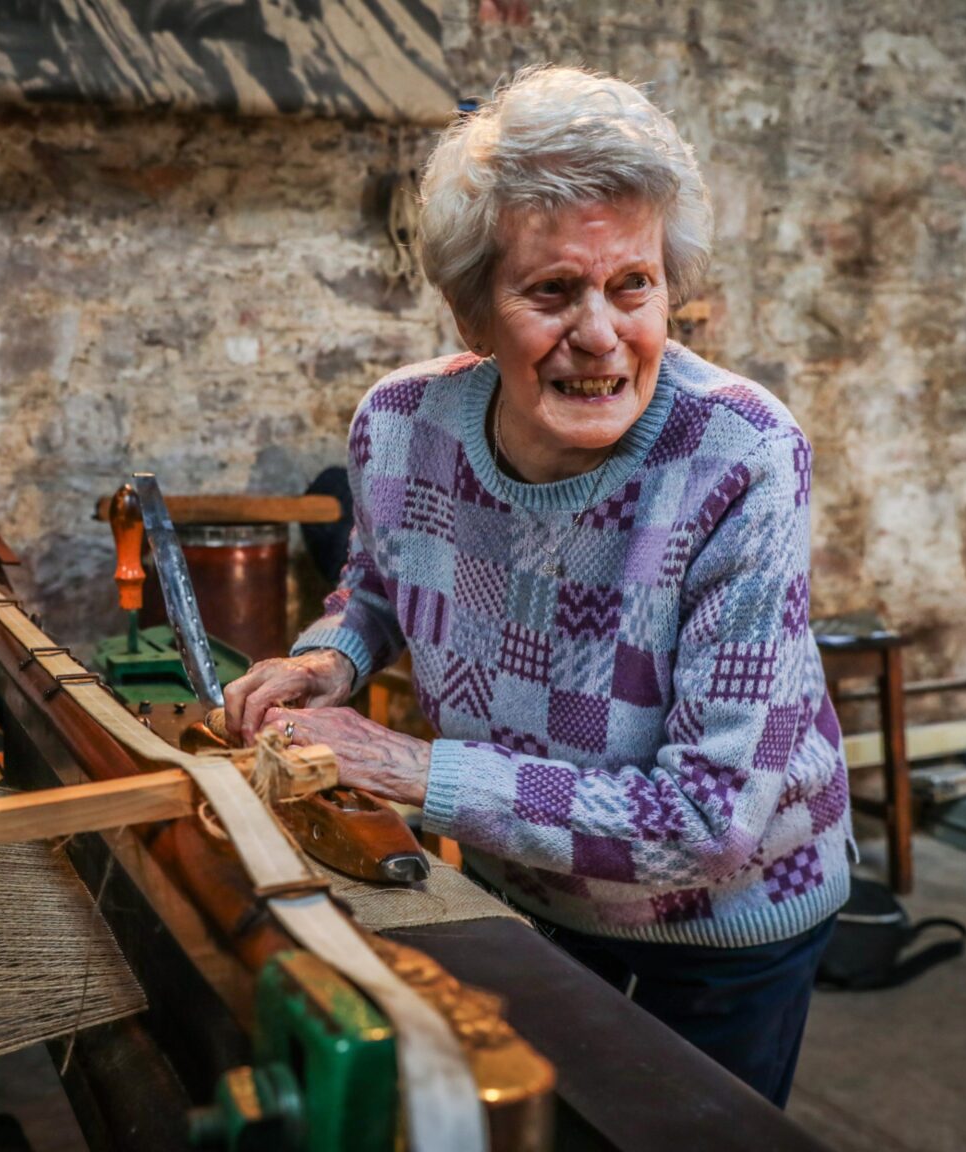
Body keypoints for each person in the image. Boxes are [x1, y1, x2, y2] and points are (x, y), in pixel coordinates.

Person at [223, 65, 850, 1108]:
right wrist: (330, 655)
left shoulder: (739, 455)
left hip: (729, 913)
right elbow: (385, 578)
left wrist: (412, 770)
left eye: (632, 286)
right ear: (473, 310)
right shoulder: (401, 426)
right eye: (551, 291)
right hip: (520, 883)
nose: (600, 335)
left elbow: (707, 818)